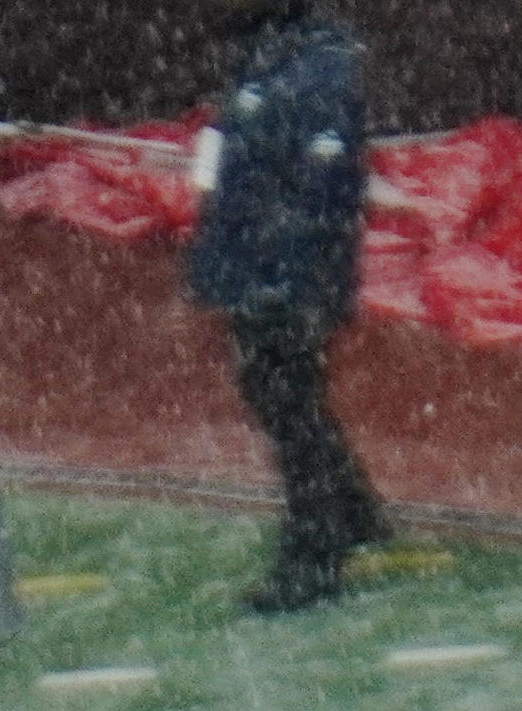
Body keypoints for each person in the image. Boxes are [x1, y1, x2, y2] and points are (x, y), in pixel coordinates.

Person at [187, 0, 386, 612]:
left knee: (285, 397)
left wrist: (294, 278)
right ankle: (352, 512)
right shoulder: (266, 54)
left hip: (289, 274)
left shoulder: (319, 68)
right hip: (259, 266)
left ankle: (315, 554)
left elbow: (325, 185)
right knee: (278, 391)